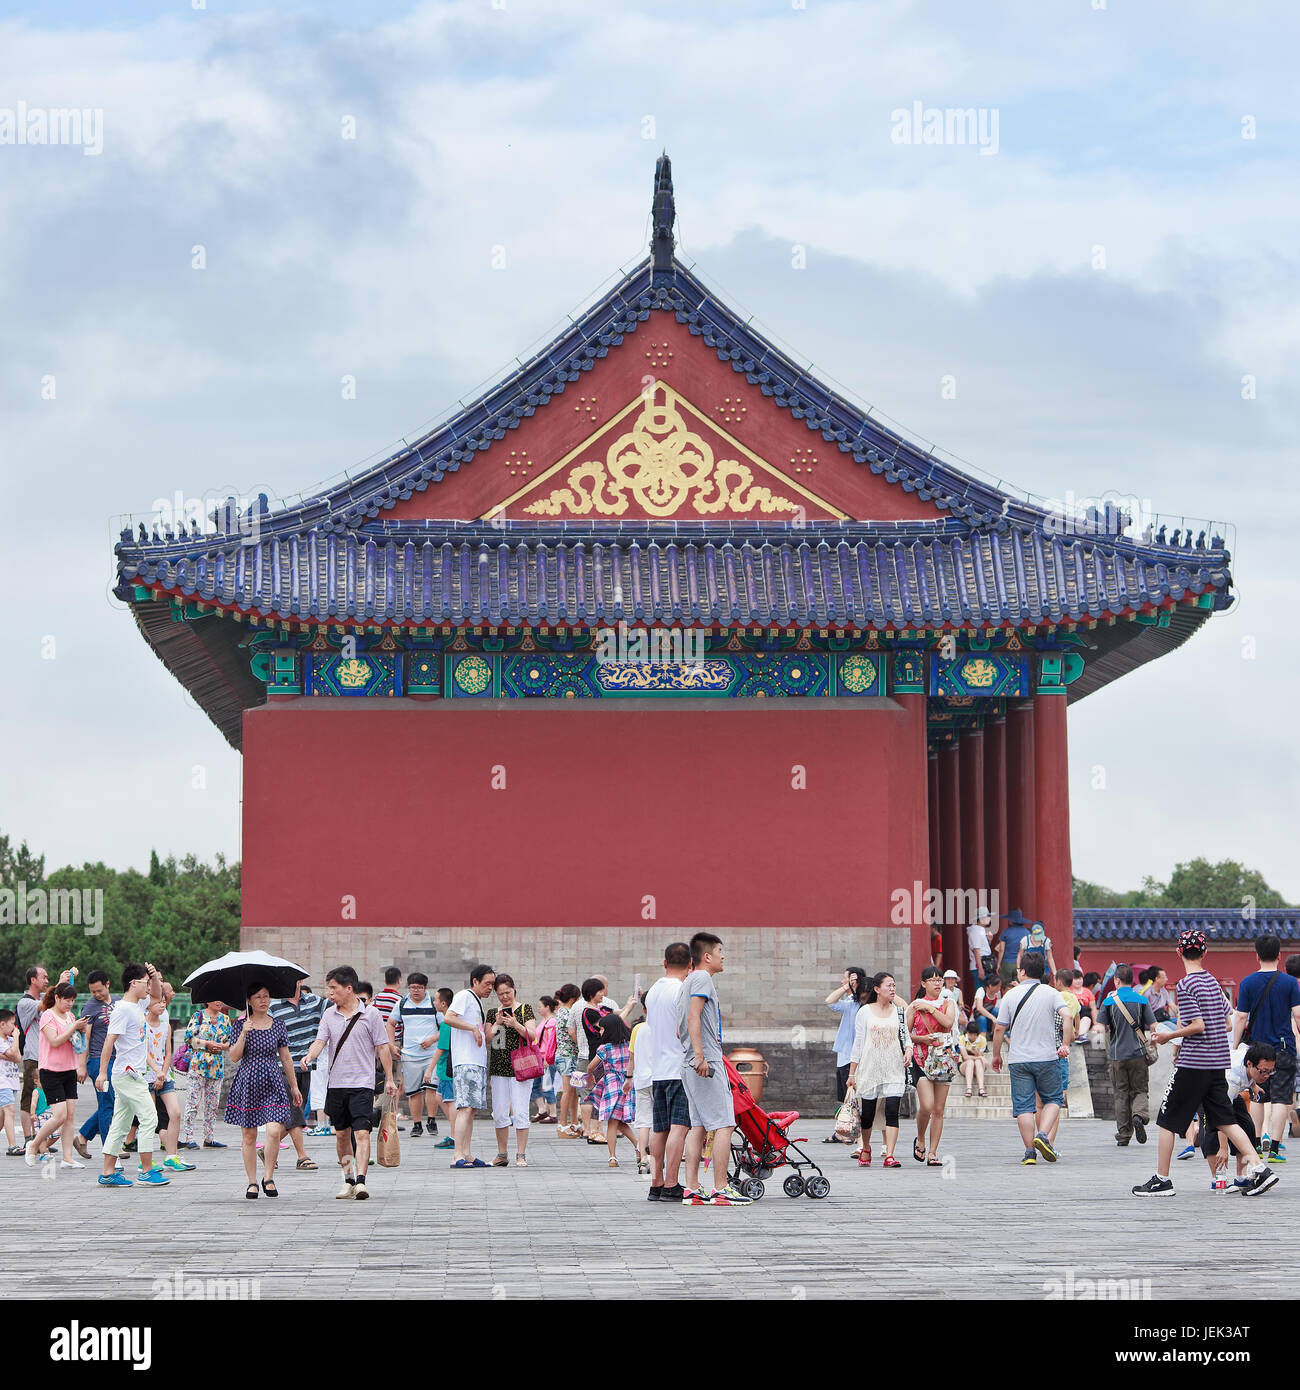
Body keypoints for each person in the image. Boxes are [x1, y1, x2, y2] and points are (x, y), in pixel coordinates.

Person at [1133, 930, 1278, 1198]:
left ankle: (1162, 1179)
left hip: (1193, 1063)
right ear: (1205, 953)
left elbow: (1197, 1025)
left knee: (1166, 1120)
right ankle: (1258, 1167)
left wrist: (1168, 1036)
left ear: (1179, 953)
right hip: (1217, 1062)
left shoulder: (1186, 985)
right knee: (1225, 1119)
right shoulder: (1212, 982)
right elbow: (1226, 1020)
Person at [303, 966, 395, 1198]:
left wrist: (390, 1079)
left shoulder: (371, 1014)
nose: (330, 993)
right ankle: (348, 1179)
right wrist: (309, 1055)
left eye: (333, 988)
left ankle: (362, 1181)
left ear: (349, 988)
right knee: (342, 1134)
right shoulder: (329, 1015)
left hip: (362, 1084)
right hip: (336, 1085)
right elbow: (320, 1041)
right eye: (329, 988)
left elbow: (382, 1047)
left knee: (362, 1133)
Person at [677, 932, 751, 1207]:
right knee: (724, 1124)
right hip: (705, 1062)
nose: (724, 955)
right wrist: (701, 1056)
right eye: (720, 950)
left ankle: (693, 1188)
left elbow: (679, 1027)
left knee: (698, 1125)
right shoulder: (702, 978)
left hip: (690, 1061)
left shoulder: (686, 982)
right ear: (707, 956)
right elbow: (693, 1016)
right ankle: (721, 1188)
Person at [990, 955, 1072, 1165]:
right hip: (1047, 1058)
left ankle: (1029, 1153)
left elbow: (999, 1028)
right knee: (1053, 1099)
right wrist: (1065, 1044)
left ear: (1022, 972)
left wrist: (996, 1054)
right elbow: (1068, 1016)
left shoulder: (1010, 995)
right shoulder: (1051, 992)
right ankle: (1043, 1135)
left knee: (1024, 1107)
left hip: (1019, 1059)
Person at [225, 983, 300, 1199]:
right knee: (249, 1135)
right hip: (248, 1081)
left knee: (275, 1130)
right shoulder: (240, 1025)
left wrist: (294, 1086)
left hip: (272, 1080)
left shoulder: (277, 1025)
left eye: (266, 996)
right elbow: (234, 1056)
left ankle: (268, 1177)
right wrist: (243, 1034)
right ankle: (252, 1182)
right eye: (258, 997)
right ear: (249, 1001)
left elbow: (285, 1057)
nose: (263, 1000)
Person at [97, 962, 168, 1188]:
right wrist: (101, 1073)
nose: (148, 988)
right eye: (145, 983)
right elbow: (109, 1042)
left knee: (120, 1123)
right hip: (128, 1074)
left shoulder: (138, 1005)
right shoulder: (122, 1009)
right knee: (150, 1118)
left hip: (131, 1074)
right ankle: (146, 1171)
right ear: (133, 983)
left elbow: (158, 994)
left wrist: (154, 976)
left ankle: (108, 1172)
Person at [1232, 932, 1300, 1164]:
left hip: (1258, 1051)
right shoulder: (1290, 983)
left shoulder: (1248, 982)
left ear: (1257, 955)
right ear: (1279, 955)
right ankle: (1275, 1150)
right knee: (1281, 1098)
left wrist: (1234, 1046)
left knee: (1258, 1097)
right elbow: (1298, 1015)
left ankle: (1257, 1143)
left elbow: (1240, 1017)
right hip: (1284, 1048)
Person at [846, 971, 911, 1168]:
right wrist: (852, 1073)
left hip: (893, 1069)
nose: (892, 989)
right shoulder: (864, 1012)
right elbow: (858, 1044)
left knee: (892, 1110)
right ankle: (865, 1147)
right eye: (888, 986)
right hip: (870, 1069)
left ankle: (890, 1155)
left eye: (894, 985)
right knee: (868, 1114)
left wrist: (908, 1051)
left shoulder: (899, 1012)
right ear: (877, 989)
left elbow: (906, 1038)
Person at [26, 982, 91, 1168]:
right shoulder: (48, 1015)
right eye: (66, 1000)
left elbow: (75, 1041)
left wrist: (81, 1029)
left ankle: (67, 1158)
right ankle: (34, 1145)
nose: (70, 1004)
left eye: (72, 1000)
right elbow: (55, 1041)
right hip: (51, 1071)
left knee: (70, 1115)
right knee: (59, 1115)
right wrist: (73, 1027)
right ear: (57, 998)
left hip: (68, 1069)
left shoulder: (70, 1016)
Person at [646, 942, 691, 1203]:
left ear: (664, 963)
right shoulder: (683, 990)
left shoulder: (653, 992)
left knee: (660, 1128)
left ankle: (656, 1183)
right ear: (690, 965)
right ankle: (672, 1183)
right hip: (679, 1067)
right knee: (679, 1126)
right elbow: (683, 1029)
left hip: (658, 1069)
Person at [440, 964, 497, 1168]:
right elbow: (448, 1017)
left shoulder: (477, 1002)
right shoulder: (464, 995)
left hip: (477, 1061)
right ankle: (457, 1154)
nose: (490, 988)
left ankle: (467, 1153)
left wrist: (494, 1024)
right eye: (487, 983)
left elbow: (485, 1037)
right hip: (465, 1061)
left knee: (471, 1109)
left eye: (492, 984)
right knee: (464, 1108)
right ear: (475, 981)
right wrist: (472, 1027)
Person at [1202, 1043, 1275, 1193]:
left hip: (1234, 1096)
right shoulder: (1232, 1078)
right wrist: (1223, 1148)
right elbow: (1221, 1119)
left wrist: (1254, 1085)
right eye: (1263, 1072)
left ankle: (1241, 1177)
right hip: (1208, 1094)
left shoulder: (1250, 1055)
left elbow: (1242, 1046)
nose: (1266, 1076)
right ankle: (1217, 1178)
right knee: (1212, 1132)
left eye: (1270, 1072)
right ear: (1250, 1065)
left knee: (1247, 1127)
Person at [268, 978, 324, 1170]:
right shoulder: (273, 1006)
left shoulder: (315, 1002)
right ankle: (302, 1156)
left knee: (292, 1115)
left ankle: (268, 1150)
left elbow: (337, 1008)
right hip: (280, 1067)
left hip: (305, 1066)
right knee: (295, 1109)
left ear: (299, 981)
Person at [1098, 964, 1154, 1146]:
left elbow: (1101, 1027)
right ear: (1133, 981)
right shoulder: (1142, 1000)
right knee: (1139, 1090)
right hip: (1138, 1053)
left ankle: (1124, 1135)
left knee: (1121, 1094)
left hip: (1117, 1055)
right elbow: (1153, 1026)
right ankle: (1139, 1115)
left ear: (1116, 980)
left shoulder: (1108, 1002)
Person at [484, 974, 537, 1167]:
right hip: (498, 1068)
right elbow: (487, 1039)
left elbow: (532, 1035)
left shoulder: (524, 1009)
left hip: (520, 1068)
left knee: (521, 1111)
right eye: (500, 994)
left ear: (514, 989)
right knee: (499, 1113)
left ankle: (521, 1154)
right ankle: (502, 1154)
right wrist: (498, 1023)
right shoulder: (492, 1013)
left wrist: (515, 1024)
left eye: (507, 992)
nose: (505, 997)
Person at [907, 967, 957, 1166]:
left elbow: (948, 1022)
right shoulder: (914, 1006)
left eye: (939, 980)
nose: (937, 983)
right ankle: (920, 1138)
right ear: (923, 983)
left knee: (938, 1109)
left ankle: (933, 1152)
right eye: (932, 980)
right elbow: (905, 1034)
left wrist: (930, 1009)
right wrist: (922, 1039)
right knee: (927, 1105)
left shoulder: (948, 1003)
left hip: (942, 1060)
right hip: (921, 1059)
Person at [142, 991, 194, 1175]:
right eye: (158, 1002)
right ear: (148, 1004)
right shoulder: (142, 1025)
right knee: (149, 1119)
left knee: (176, 1113)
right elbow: (144, 1052)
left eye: (164, 1002)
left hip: (165, 1075)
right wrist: (156, 1072)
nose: (162, 1005)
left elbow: (168, 1052)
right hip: (147, 1075)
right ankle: (146, 1160)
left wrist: (163, 1072)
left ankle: (172, 1156)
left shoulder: (165, 1025)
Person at [72, 971, 117, 1159]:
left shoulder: (118, 1002)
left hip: (117, 1060)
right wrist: (81, 1065)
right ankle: (110, 1148)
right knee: (107, 1103)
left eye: (99, 990)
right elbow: (85, 1037)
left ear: (107, 984)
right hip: (98, 1062)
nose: (96, 995)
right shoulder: (90, 1008)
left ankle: (83, 1135)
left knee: (114, 1103)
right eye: (93, 992)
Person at [391, 972, 441, 1138]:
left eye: (419, 987)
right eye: (413, 987)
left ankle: (432, 1120)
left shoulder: (434, 1003)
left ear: (425, 988)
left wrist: (433, 1039)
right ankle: (417, 1124)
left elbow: (446, 1026)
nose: (416, 990)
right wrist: (391, 1045)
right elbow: (390, 1024)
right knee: (414, 1092)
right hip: (410, 1055)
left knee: (431, 1088)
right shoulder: (402, 1003)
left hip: (431, 1054)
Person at [179, 998, 233, 1148]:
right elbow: (188, 1038)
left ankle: (209, 1137)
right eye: (216, 999)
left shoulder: (225, 1019)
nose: (220, 1002)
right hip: (198, 1063)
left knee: (212, 1104)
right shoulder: (198, 1016)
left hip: (216, 1064)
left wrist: (221, 1046)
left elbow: (230, 1041)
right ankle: (189, 1137)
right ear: (207, 1001)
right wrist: (206, 1044)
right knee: (193, 1102)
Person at [590, 1013, 637, 1167]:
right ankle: (639, 1147)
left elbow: (591, 1066)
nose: (600, 1032)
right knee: (618, 1120)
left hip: (612, 1087)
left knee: (612, 1122)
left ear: (609, 1030)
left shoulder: (605, 1048)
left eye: (602, 1029)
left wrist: (590, 1074)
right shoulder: (629, 1045)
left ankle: (612, 1157)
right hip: (627, 1086)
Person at [825, 966, 869, 1122]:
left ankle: (850, 1129)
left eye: (846, 978)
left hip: (853, 1057)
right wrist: (846, 987)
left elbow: (829, 1002)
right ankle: (845, 1128)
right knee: (845, 1097)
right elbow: (830, 1001)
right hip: (844, 1054)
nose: (842, 980)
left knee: (851, 1098)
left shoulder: (861, 1004)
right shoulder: (850, 1002)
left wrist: (853, 986)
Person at [16, 965, 51, 1143]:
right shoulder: (25, 1002)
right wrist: (61, 981)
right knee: (29, 1097)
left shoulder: (45, 997)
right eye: (43, 977)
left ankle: (41, 1139)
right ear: (33, 980)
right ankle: (28, 1138)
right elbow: (46, 1004)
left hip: (47, 1056)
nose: (47, 980)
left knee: (45, 1097)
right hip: (32, 1056)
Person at [422, 987, 458, 1149]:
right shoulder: (452, 1020)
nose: (434, 1002)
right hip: (447, 1067)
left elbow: (440, 1048)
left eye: (436, 1000)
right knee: (439, 1097)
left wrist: (429, 1069)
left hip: (447, 1068)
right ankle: (456, 1132)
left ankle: (455, 1136)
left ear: (443, 1003)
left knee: (450, 1101)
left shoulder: (447, 1022)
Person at [628, 1008, 652, 1174]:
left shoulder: (638, 1028)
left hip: (641, 1080)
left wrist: (628, 1077)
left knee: (643, 1121)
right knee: (662, 1122)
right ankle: (656, 1158)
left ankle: (644, 1158)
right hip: (662, 1078)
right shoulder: (666, 1026)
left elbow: (632, 1057)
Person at [531, 996, 560, 1124]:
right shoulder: (544, 1021)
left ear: (547, 1007)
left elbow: (551, 1043)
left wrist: (548, 1059)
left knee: (547, 1086)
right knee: (534, 1086)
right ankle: (542, 1110)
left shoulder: (551, 1022)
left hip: (546, 1059)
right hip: (539, 1058)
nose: (538, 1009)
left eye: (540, 1006)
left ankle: (553, 1114)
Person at [0, 1009, 23, 1155]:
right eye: (12, 1024)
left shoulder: (8, 1040)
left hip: (11, 1081)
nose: (15, 1028)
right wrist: (16, 1038)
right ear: (2, 1024)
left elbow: (17, 1058)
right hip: (3, 1082)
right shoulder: (2, 1040)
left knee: (2, 1118)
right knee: (10, 1110)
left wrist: (13, 1043)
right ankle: (12, 1145)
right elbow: (14, 1054)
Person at [995, 910, 1031, 981]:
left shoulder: (1005, 932)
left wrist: (998, 964)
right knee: (1019, 987)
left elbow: (1001, 950)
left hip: (1007, 963)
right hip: (1020, 964)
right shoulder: (1027, 933)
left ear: (1010, 921)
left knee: (1006, 986)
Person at [960, 1020, 988, 1098]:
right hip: (964, 1065)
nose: (972, 1037)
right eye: (970, 1034)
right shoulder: (962, 1038)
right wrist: (979, 1057)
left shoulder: (982, 1040)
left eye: (975, 1035)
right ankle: (969, 1089)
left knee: (978, 1062)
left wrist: (976, 1052)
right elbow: (965, 1057)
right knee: (970, 1062)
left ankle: (981, 1089)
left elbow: (981, 1055)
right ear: (967, 1033)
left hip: (978, 1067)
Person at [967, 908, 995, 988]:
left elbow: (982, 949)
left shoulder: (980, 930)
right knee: (981, 991)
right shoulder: (976, 931)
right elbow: (976, 950)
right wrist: (980, 969)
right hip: (980, 965)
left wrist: (989, 941)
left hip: (985, 964)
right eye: (987, 916)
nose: (989, 918)